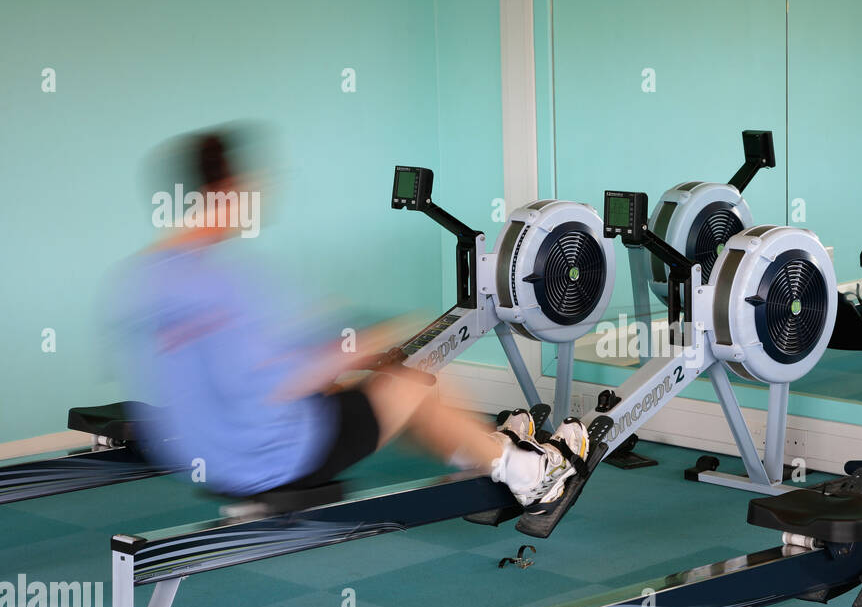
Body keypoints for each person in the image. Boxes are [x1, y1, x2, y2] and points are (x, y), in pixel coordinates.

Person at [114, 125, 587, 509]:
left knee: (347, 389)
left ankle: (482, 449)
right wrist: (355, 348)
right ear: (226, 190)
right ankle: (526, 474)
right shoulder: (229, 283)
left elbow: (205, 370)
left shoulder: (144, 278)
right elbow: (277, 381)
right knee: (414, 386)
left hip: (202, 453)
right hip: (267, 459)